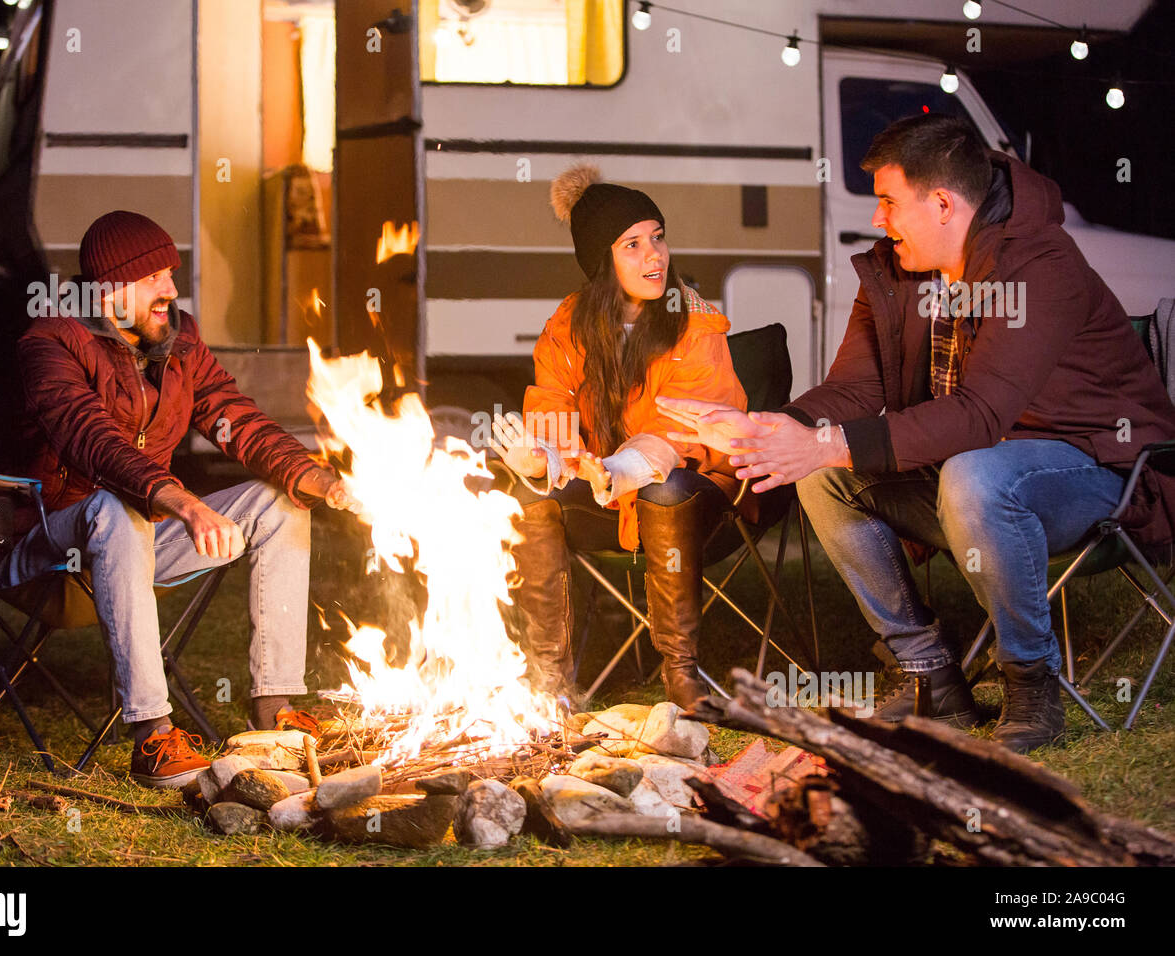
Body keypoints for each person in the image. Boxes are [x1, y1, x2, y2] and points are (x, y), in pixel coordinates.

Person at [658, 114, 1175, 753]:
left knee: (970, 472)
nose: (878, 221)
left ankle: (1031, 686)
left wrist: (826, 440)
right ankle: (929, 671)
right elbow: (858, 390)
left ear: (940, 204)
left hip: (1101, 471)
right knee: (825, 473)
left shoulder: (1041, 263)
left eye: (887, 202)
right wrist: (776, 427)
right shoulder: (897, 270)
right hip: (979, 471)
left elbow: (981, 414)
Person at [0, 210, 357, 787]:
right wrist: (183, 502)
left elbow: (234, 418)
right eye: (153, 279)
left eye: (170, 272)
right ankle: (154, 736)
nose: (171, 289)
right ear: (110, 289)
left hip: (138, 539)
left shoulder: (178, 341)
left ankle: (276, 711)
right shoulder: (50, 342)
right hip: (48, 543)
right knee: (115, 507)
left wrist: (321, 479)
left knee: (282, 501)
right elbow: (92, 439)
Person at [492, 165, 748, 709]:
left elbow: (693, 425)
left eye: (657, 237)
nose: (653, 256)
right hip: (604, 488)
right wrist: (540, 459)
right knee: (532, 501)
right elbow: (554, 406)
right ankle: (551, 684)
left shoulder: (693, 322)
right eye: (631, 245)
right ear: (600, 261)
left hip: (695, 494)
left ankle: (681, 676)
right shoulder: (569, 324)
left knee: (665, 489)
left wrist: (626, 467)